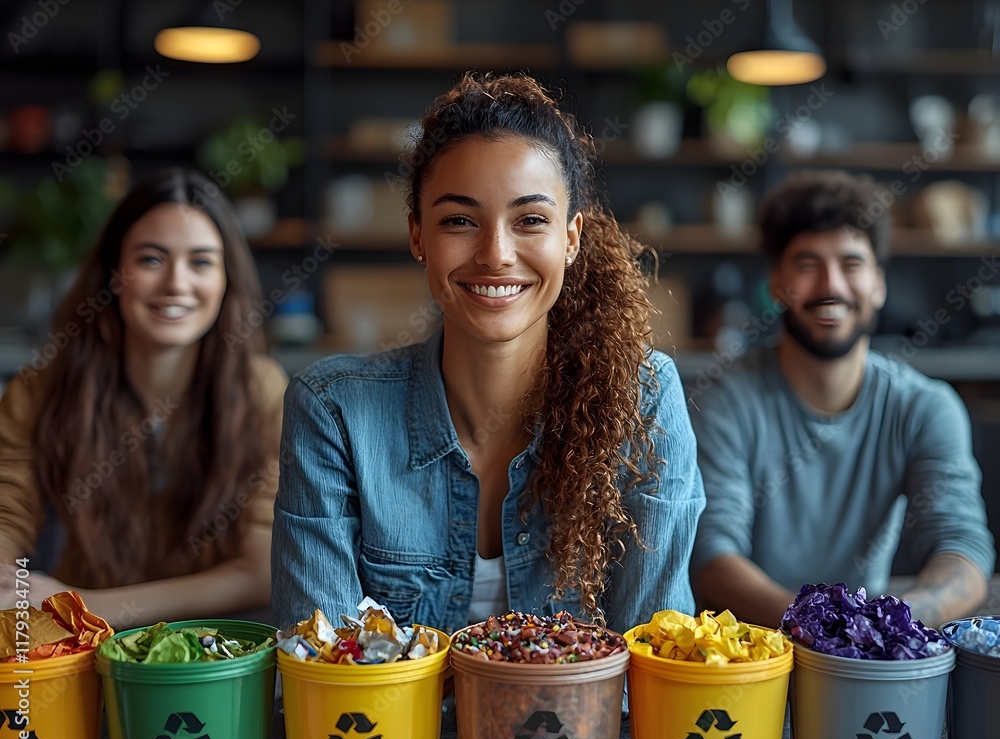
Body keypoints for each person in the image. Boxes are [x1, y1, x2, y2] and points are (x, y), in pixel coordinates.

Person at [272, 73, 705, 636]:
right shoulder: (333, 411)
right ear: (418, 236)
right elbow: (321, 665)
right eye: (459, 220)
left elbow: (655, 659)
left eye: (530, 220)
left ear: (570, 239)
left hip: (586, 727)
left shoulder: (642, 398)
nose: (496, 254)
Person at [690, 169, 995, 629]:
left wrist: (883, 627)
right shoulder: (725, 400)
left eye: (851, 264)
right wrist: (821, 627)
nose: (831, 284)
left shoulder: (924, 406)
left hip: (870, 660)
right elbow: (713, 555)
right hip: (749, 657)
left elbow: (964, 550)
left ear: (878, 283)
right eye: (808, 265)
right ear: (777, 284)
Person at [0, 168, 287, 627]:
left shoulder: (263, 391)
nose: (176, 283)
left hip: (215, 652)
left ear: (226, 279)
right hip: (81, 653)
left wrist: (85, 604)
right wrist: (8, 582)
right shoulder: (41, 388)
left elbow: (262, 571)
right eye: (151, 260)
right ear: (114, 274)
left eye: (201, 262)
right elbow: (6, 512)